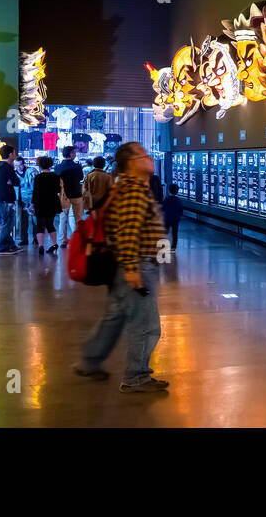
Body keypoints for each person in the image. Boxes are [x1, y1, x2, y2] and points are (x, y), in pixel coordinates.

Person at [74, 142, 168, 393]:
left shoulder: (127, 187)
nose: (149, 158)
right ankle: (136, 377)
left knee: (114, 318)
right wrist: (132, 270)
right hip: (136, 264)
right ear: (132, 163)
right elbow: (127, 231)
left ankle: (90, 361)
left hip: (126, 265)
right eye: (143, 155)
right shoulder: (133, 190)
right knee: (146, 326)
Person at [32, 155, 62, 255]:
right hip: (52, 202)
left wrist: (33, 204)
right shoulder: (55, 177)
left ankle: (41, 246)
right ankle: (54, 244)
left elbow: (35, 192)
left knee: (40, 225)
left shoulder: (38, 177)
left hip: (40, 203)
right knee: (50, 224)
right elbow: (58, 190)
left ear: (40, 165)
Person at [0, 144, 21, 255]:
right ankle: (2, 247)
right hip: (6, 200)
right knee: (7, 223)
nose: (16, 155)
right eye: (14, 153)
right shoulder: (8, 167)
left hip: (0, 199)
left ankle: (11, 245)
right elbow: (16, 182)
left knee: (7, 223)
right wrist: (11, 181)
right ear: (10, 154)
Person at [56, 146, 85, 239]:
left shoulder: (58, 167)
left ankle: (62, 239)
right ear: (71, 153)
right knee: (76, 217)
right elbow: (81, 178)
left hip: (63, 195)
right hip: (76, 194)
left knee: (63, 218)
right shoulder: (77, 166)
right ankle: (76, 238)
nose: (75, 154)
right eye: (74, 152)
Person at [161, 183, 183, 250]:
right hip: (175, 219)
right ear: (177, 191)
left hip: (167, 219)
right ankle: (173, 247)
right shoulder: (178, 200)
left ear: (169, 190)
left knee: (165, 232)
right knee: (175, 233)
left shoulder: (166, 199)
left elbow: (162, 208)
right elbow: (181, 210)